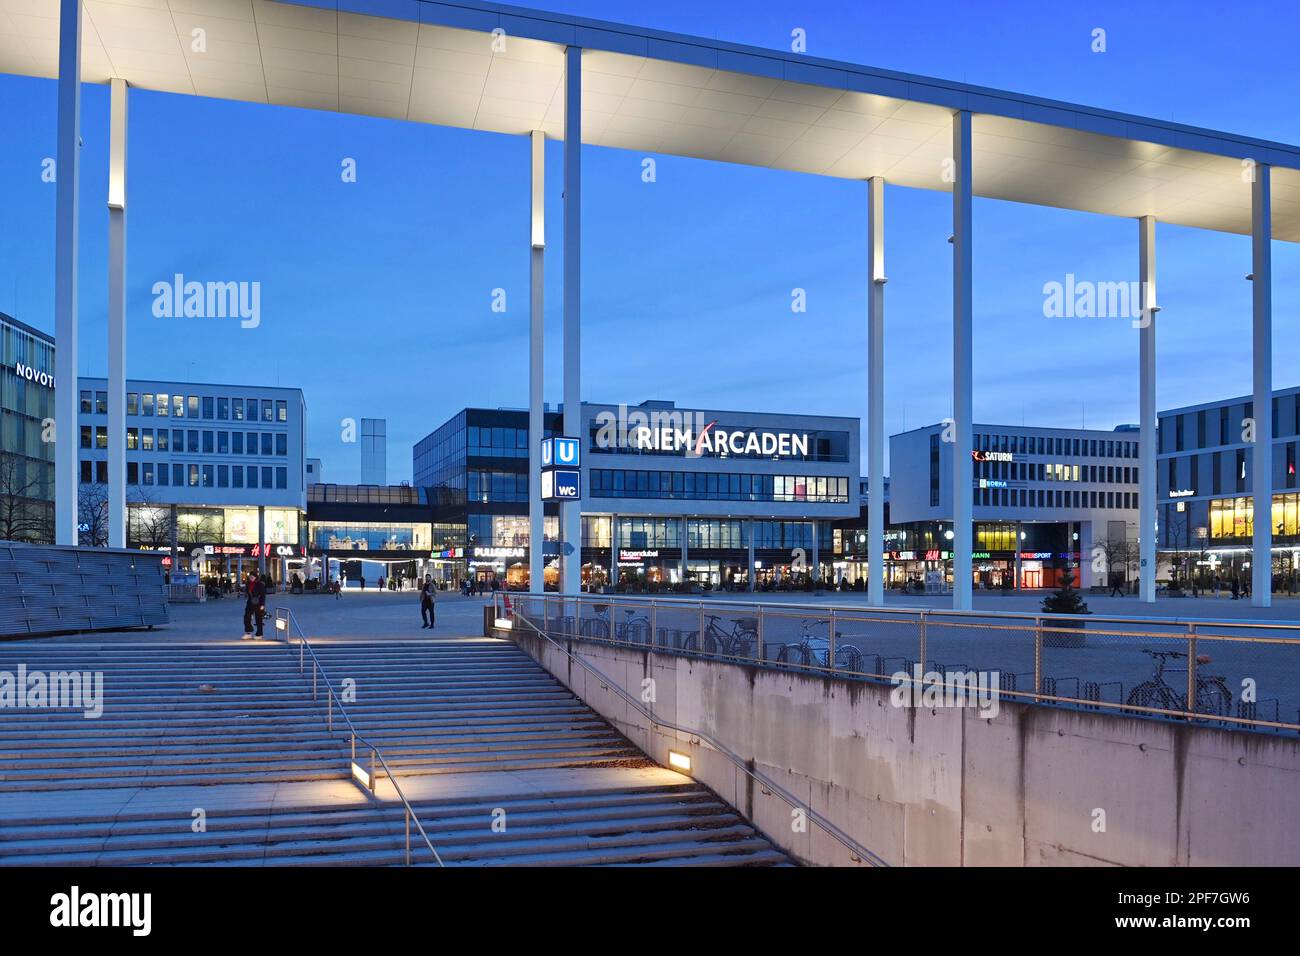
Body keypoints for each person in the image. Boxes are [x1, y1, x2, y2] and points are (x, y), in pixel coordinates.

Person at [242, 569, 267, 640]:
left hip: (258, 603)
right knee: (247, 617)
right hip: (250, 602)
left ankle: (259, 634)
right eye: (250, 577)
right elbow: (248, 593)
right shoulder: (248, 584)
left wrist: (262, 604)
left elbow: (263, 595)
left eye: (252, 577)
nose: (251, 578)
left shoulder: (260, 584)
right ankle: (248, 632)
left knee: (258, 619)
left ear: (256, 577)